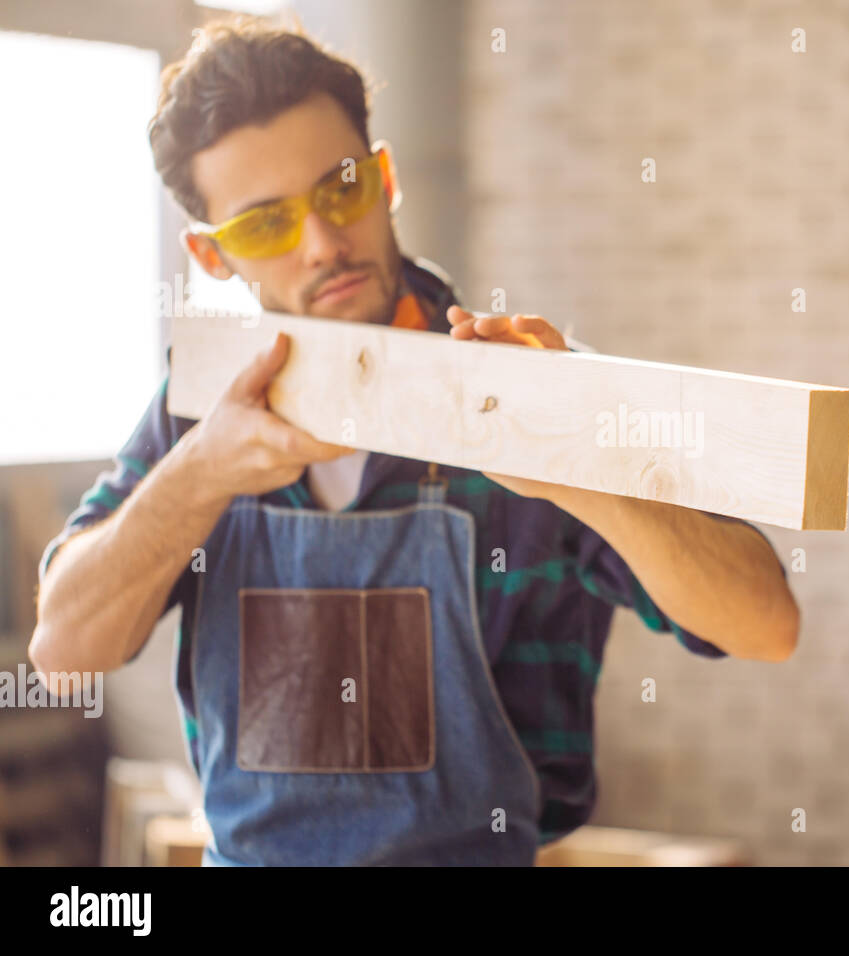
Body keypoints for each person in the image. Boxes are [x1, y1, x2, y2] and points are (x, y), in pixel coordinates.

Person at [29, 16, 799, 866]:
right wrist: (199, 476)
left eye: (342, 188)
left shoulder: (527, 385)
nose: (322, 242)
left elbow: (765, 626)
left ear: (385, 177)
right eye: (264, 227)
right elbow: (64, 653)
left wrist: (567, 465)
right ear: (212, 256)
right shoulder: (196, 409)